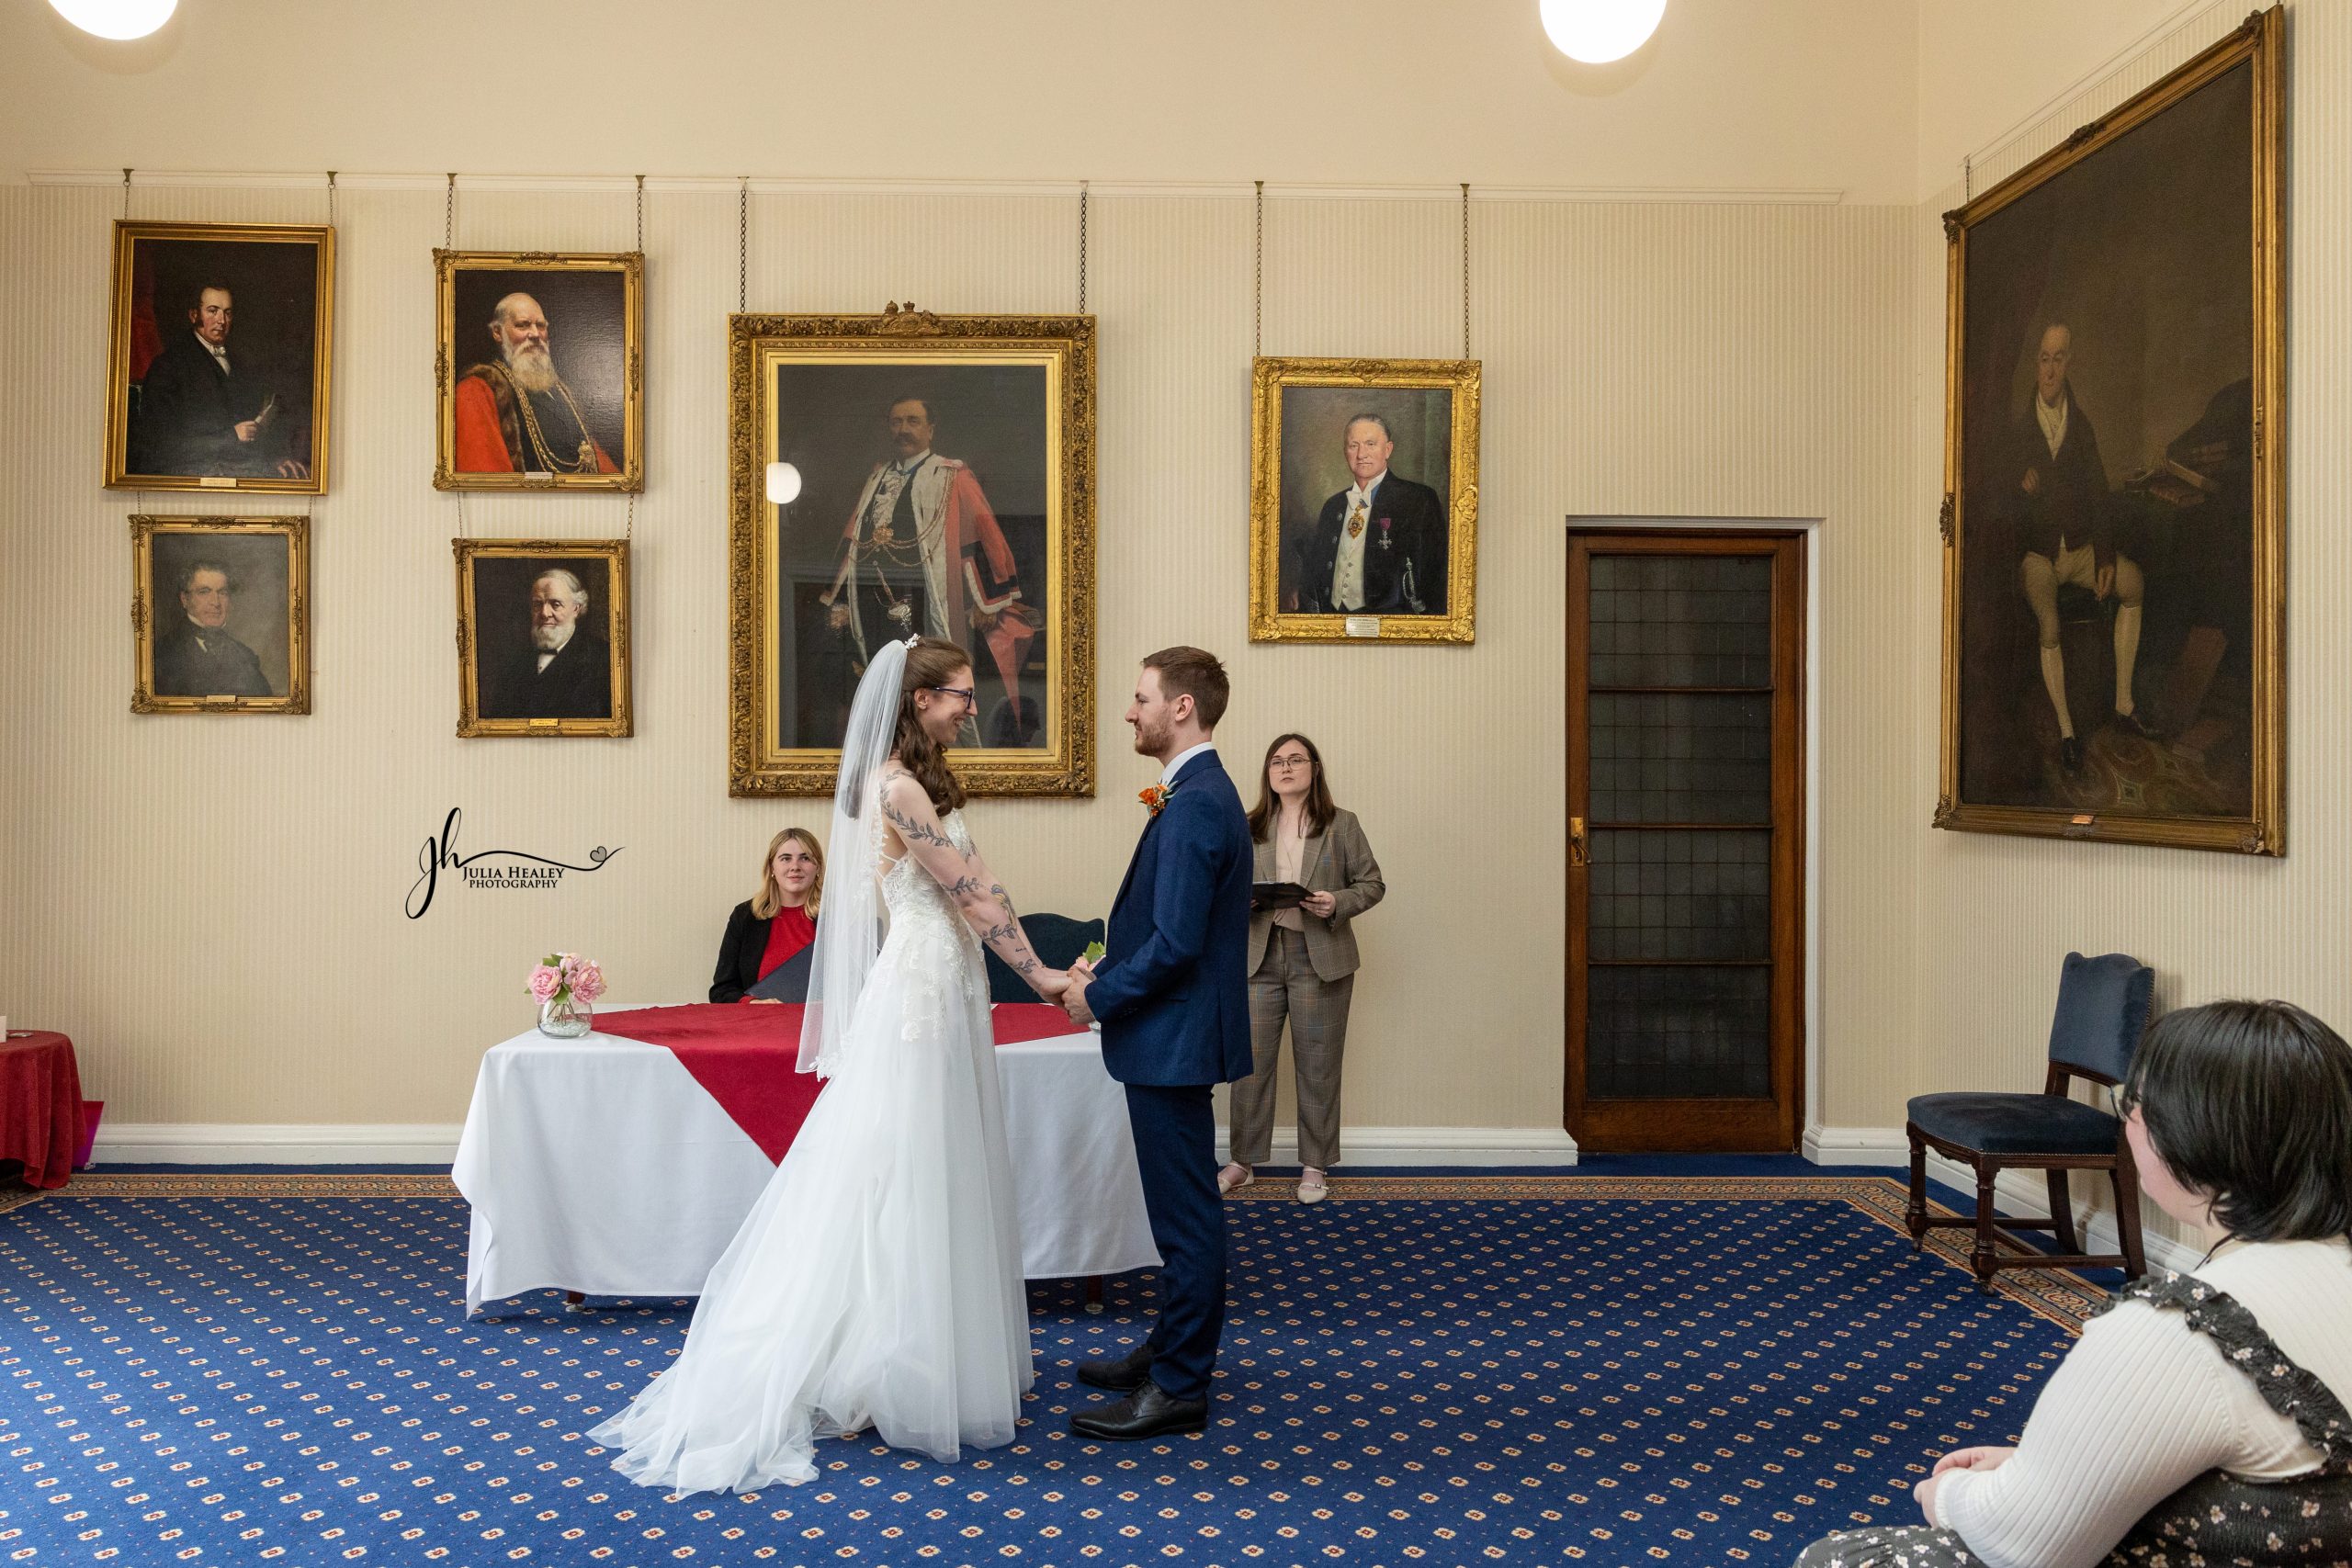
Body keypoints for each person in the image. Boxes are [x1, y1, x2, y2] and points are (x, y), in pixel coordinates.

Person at [590, 635, 1069, 1493]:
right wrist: (1041, 977)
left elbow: (985, 879)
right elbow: (966, 894)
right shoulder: (895, 787)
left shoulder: (922, 781)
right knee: (908, 1164)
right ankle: (892, 1361)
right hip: (921, 989)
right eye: (961, 694)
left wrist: (1041, 966)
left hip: (951, 980)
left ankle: (926, 1348)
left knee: (936, 1159)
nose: (972, 707)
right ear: (921, 699)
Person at [1792, 998, 2352, 1568]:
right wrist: (2038, 1470)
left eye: (2133, 1106)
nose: (2130, 1123)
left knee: (1842, 1557)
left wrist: (1949, 1495)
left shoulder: (2178, 1333)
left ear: (2193, 1137)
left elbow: (2024, 1544)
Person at [1061, 648, 1254, 1440]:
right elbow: (1166, 928)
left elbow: (1176, 943)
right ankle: (1169, 1349)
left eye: (1140, 698)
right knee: (1179, 1210)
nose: (1129, 711)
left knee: (1186, 1218)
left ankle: (1179, 1384)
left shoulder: (1199, 800)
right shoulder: (1194, 791)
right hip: (1172, 1031)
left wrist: (1097, 996)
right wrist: (1104, 968)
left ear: (1182, 707)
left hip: (1173, 1037)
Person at [816, 397, 1036, 741]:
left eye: (913, 421)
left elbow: (983, 535)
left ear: (930, 429)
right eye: (896, 422)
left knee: (927, 681)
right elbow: (854, 537)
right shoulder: (877, 477)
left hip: (926, 598)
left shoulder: (951, 475)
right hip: (874, 603)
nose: (903, 429)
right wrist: (839, 594)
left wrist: (987, 600)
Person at [1225, 733, 1385, 1205]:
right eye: (1277, 761)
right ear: (1268, 773)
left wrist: (1336, 902)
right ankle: (1242, 1162)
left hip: (1320, 957)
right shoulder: (1248, 825)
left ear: (1314, 768)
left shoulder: (1341, 824)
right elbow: (1222, 885)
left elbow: (1372, 884)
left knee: (1319, 1064)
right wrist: (1242, 899)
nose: (1286, 767)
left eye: (1296, 759)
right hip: (1258, 955)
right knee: (1250, 1066)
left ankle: (1315, 1165)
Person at [2004, 323, 2154, 775]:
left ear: (2069, 363)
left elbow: (2099, 497)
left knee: (2133, 583)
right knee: (2049, 624)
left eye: (2059, 358)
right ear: (2037, 365)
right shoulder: (2019, 431)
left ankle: (2124, 705)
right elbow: (1996, 501)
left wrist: (2104, 558)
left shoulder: (2081, 425)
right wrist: (2019, 484)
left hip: (2079, 550)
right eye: (2044, 359)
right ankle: (2068, 732)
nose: (2050, 370)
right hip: (2038, 555)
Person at [130, 283, 309, 479]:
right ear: (194, 315)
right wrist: (232, 437)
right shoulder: (169, 366)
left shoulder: (240, 364)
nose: (221, 320)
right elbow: (162, 445)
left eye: (227, 313)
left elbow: (255, 427)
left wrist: (273, 459)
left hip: (239, 467)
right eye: (212, 311)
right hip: (188, 473)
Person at [1286, 412, 1447, 615]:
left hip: (1392, 621)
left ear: (1388, 449)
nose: (1361, 454)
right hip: (1334, 618)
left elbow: (1437, 576)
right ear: (1345, 451)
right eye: (1353, 445)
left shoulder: (1419, 499)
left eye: (1370, 444)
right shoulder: (1333, 506)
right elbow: (1318, 570)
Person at [452, 292, 620, 476]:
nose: (535, 334)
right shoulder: (477, 390)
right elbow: (484, 473)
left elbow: (596, 460)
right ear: (497, 332)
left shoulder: (559, 392)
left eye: (540, 326)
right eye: (522, 325)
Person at [477, 567, 611, 720]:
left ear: (576, 609)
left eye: (555, 604)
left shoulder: (602, 657)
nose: (545, 613)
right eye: (537, 604)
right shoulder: (513, 660)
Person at [709, 828, 824, 1004]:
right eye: (785, 858)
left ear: (818, 867)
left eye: (805, 858)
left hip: (819, 1019)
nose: (795, 866)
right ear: (772, 867)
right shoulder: (745, 916)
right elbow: (721, 991)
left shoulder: (836, 918)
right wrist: (753, 1003)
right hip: (759, 1018)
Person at [151, 558, 273, 698]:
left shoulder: (245, 655)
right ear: (185, 599)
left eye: (222, 593)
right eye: (204, 592)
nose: (215, 602)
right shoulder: (162, 653)